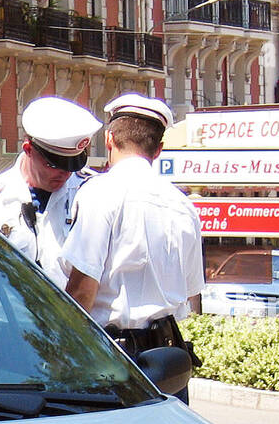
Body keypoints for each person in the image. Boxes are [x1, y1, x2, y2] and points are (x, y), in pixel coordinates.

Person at [58, 92, 204, 400]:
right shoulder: (183, 204)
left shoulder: (100, 192)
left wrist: (61, 352)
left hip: (114, 359)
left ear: (109, 139)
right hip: (169, 361)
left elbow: (84, 289)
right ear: (159, 149)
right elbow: (192, 293)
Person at [0, 96, 103, 285]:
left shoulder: (94, 192)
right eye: (54, 164)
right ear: (29, 149)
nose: (65, 173)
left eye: (72, 165)